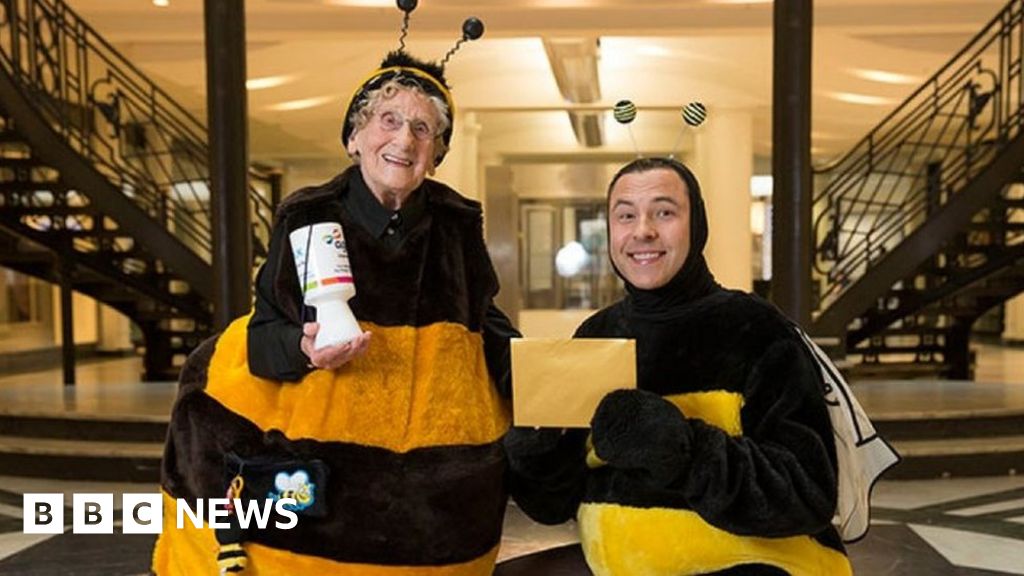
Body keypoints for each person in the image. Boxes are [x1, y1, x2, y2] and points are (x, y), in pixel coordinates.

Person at [152, 42, 518, 576]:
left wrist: (545, 377)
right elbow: (263, 339)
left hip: (430, 499)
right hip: (326, 472)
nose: (403, 139)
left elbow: (482, 322)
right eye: (387, 120)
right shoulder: (308, 215)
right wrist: (302, 348)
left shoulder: (457, 224)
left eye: (422, 129)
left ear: (437, 154)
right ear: (354, 137)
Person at [505, 157, 856, 575]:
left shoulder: (757, 328)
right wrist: (534, 453)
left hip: (753, 560)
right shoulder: (596, 333)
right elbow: (554, 503)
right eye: (626, 216)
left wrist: (683, 451)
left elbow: (807, 493)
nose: (642, 231)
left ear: (697, 225)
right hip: (621, 564)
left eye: (664, 212)